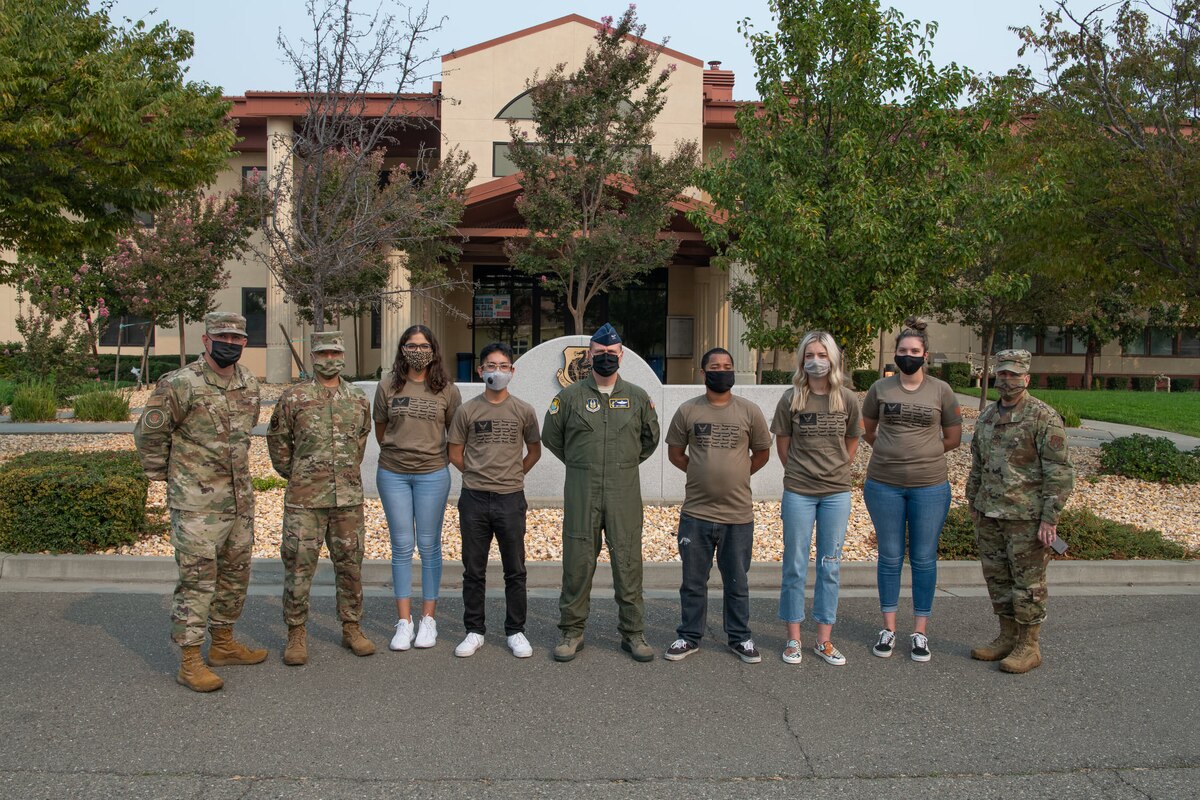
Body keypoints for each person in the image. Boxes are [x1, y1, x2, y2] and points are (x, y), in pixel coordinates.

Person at [133, 311, 266, 692]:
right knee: (197, 582)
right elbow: (149, 437)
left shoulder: (248, 384)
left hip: (239, 500)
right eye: (222, 336)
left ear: (244, 343)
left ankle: (222, 645)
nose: (231, 343)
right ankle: (190, 661)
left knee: (235, 576)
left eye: (237, 338)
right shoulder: (179, 383)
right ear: (206, 341)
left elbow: (243, 434)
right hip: (195, 505)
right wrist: (171, 479)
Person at [542, 323, 660, 662]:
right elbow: (552, 437)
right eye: (599, 354)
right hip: (583, 489)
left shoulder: (637, 397)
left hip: (624, 490)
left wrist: (621, 463)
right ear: (588, 356)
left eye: (611, 353)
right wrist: (582, 463)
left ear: (621, 355)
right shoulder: (569, 396)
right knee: (577, 561)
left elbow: (649, 440)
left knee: (628, 561)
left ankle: (633, 634)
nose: (605, 358)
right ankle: (572, 631)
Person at [267, 331, 375, 666]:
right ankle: (296, 632)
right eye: (323, 354)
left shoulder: (357, 398)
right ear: (313, 357)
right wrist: (300, 474)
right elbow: (279, 444)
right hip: (305, 499)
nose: (330, 360)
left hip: (347, 499)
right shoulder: (293, 398)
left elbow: (360, 441)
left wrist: (341, 475)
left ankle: (351, 627)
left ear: (343, 357)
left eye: (335, 353)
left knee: (350, 565)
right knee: (299, 566)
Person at [966, 349, 1075, 674]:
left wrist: (1049, 518)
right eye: (1003, 374)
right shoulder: (987, 417)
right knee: (998, 579)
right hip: (990, 515)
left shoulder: (1043, 417)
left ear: (1026, 377)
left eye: (1014, 374)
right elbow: (978, 466)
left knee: (1028, 584)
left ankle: (1029, 646)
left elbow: (1059, 472)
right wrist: (973, 503)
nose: (1008, 380)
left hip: (1026, 519)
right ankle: (1007, 636)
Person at [862, 317, 962, 662]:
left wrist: (923, 454)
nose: (908, 355)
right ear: (895, 354)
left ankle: (920, 631)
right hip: (883, 485)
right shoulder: (880, 389)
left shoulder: (941, 391)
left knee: (923, 557)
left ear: (925, 355)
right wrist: (894, 453)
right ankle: (888, 627)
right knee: (889, 557)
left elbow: (953, 437)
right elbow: (869, 431)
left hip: (930, 486)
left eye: (914, 351)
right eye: (903, 350)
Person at [663, 348, 771, 663]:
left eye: (727, 366)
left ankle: (740, 638)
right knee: (693, 581)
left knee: (737, 581)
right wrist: (701, 472)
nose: (721, 371)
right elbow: (675, 453)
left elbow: (762, 453)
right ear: (702, 373)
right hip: (696, 513)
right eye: (715, 366)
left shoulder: (749, 412)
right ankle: (688, 636)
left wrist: (737, 473)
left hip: (738, 515)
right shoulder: (688, 411)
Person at [771, 331, 863, 666]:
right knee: (794, 564)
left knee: (830, 565)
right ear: (801, 359)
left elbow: (852, 439)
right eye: (810, 354)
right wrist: (800, 472)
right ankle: (794, 639)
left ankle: (824, 640)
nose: (816, 361)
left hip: (837, 493)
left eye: (823, 355)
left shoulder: (847, 399)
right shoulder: (791, 398)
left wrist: (837, 468)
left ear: (834, 359)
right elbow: (783, 444)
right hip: (799, 491)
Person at [448, 342, 542, 658]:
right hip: (474, 499)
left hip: (510, 499)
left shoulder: (523, 410)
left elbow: (534, 451)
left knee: (514, 569)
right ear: (480, 370)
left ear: (512, 372)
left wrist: (514, 475)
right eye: (491, 365)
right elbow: (455, 452)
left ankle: (516, 631)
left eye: (503, 366)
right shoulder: (467, 410)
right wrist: (476, 475)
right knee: (473, 570)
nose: (497, 371)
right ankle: (474, 631)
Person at [374, 325, 462, 652]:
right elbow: (381, 430)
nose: (418, 350)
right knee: (400, 546)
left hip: (432, 474)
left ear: (433, 350)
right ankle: (404, 622)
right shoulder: (388, 387)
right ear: (402, 349)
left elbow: (455, 432)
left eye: (424, 345)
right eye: (412, 345)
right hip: (393, 473)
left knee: (428, 546)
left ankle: (428, 619)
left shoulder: (447, 391)